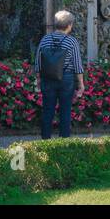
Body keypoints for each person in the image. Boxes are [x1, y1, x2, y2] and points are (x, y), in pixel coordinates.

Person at [34, 10, 85, 138]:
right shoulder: (72, 42)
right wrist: (81, 84)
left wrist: (39, 80)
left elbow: (38, 62)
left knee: (47, 111)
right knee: (65, 111)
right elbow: (77, 65)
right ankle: (64, 142)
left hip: (48, 78)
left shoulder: (45, 39)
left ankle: (45, 141)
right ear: (69, 25)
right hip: (66, 79)